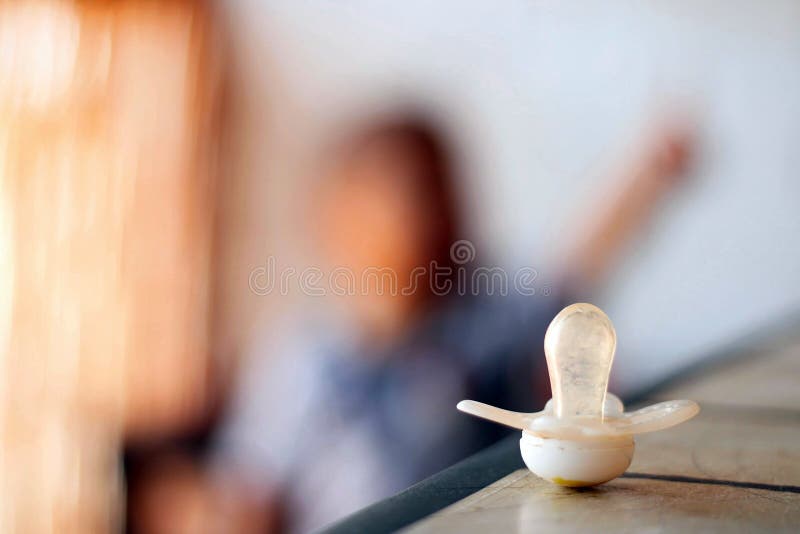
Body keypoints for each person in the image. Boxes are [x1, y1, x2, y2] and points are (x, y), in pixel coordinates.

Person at [211, 112, 694, 533]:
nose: (425, 221)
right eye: (399, 203)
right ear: (336, 229)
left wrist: (649, 174)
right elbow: (247, 494)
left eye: (437, 195)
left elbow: (573, 268)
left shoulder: (484, 321)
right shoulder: (307, 360)